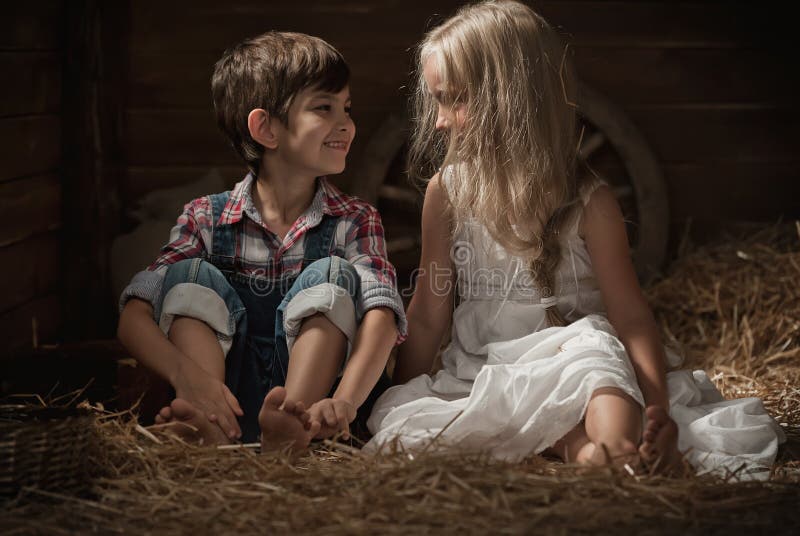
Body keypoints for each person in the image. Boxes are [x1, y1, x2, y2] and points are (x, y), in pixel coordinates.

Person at [365, 0, 784, 477]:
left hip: (572, 356)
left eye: (454, 99)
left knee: (599, 370)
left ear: (513, 97)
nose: (439, 120)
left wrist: (658, 406)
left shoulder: (589, 201)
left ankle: (628, 447)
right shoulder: (447, 193)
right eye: (437, 100)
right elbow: (426, 314)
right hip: (485, 372)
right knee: (408, 423)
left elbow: (629, 314)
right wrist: (401, 395)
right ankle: (587, 454)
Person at [117, 31, 406, 451]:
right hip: (225, 400)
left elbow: (382, 317)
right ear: (266, 129)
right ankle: (209, 424)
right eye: (324, 108)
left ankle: (293, 427)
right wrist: (187, 377)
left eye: (347, 108)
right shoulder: (204, 217)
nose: (346, 124)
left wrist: (343, 403)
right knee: (189, 274)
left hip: (312, 412)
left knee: (331, 273)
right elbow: (133, 317)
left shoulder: (355, 219)